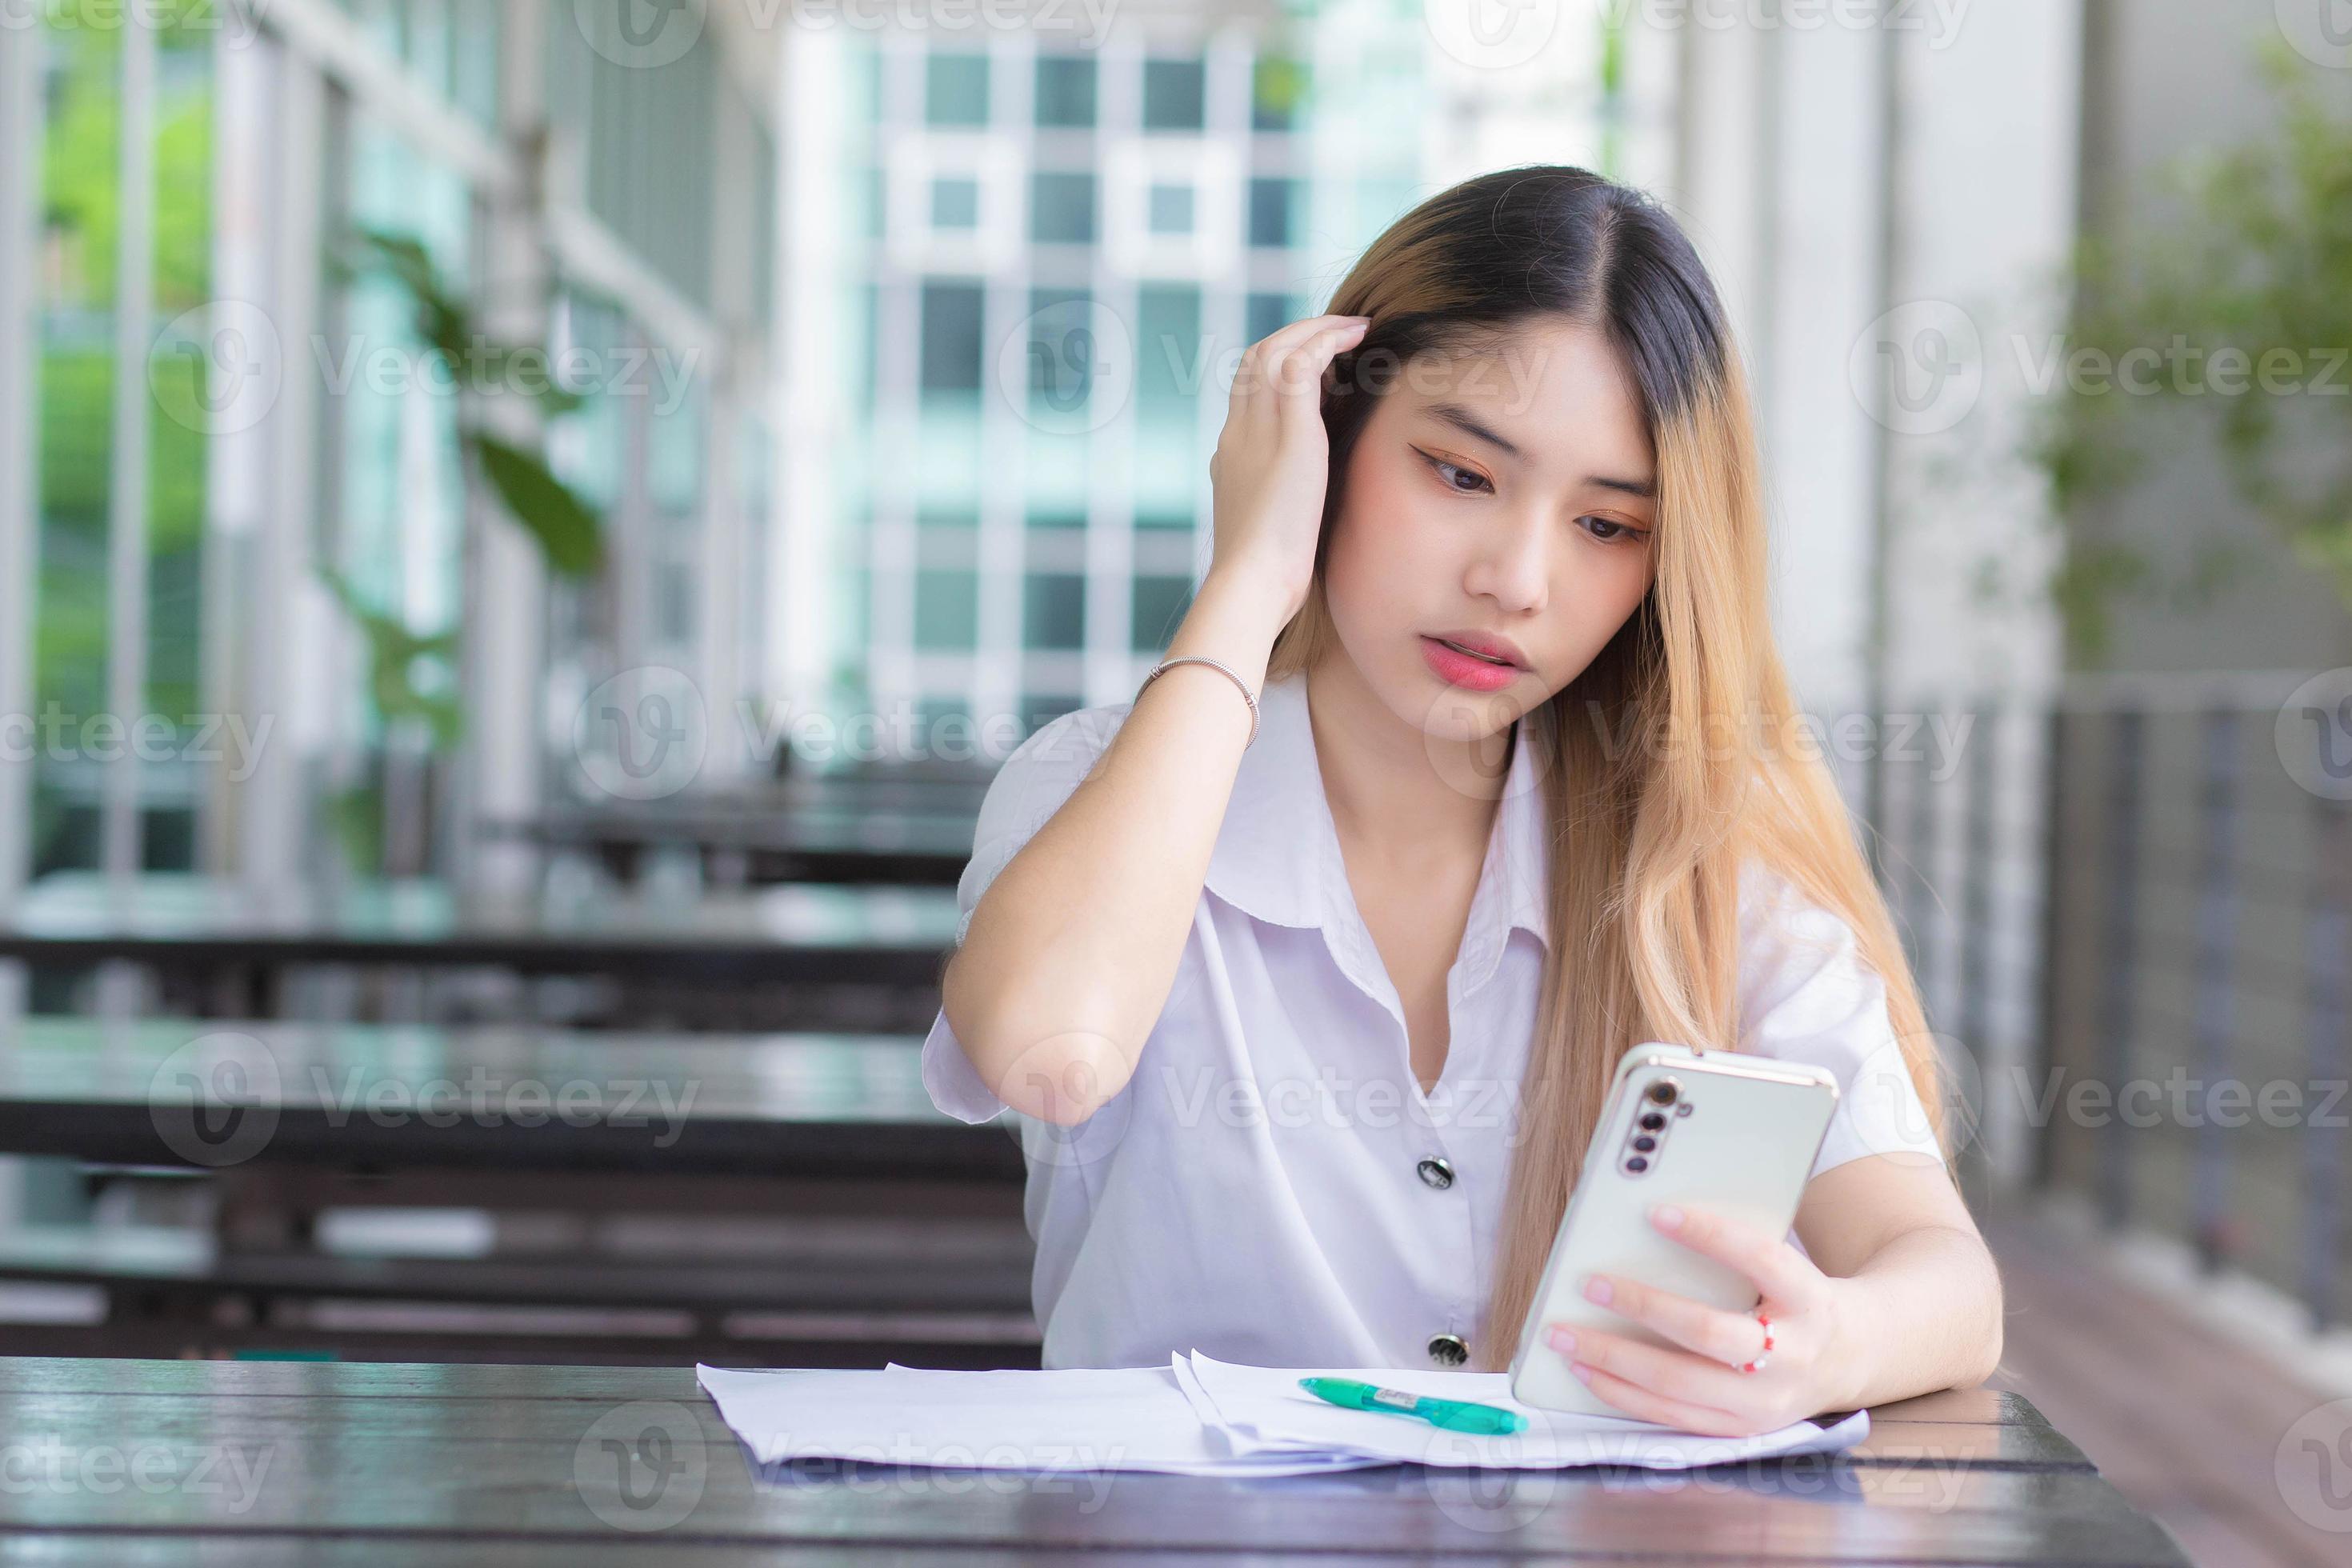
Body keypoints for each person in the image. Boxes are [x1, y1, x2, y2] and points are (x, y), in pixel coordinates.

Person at [922, 166, 2003, 1437]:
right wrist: (1248, 580)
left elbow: (1950, 1288)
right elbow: (1051, 1057)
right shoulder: (1093, 787)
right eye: (1461, 474)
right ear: (1328, 440)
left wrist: (1826, 1348)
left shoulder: (1697, 861)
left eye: (1607, 528)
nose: (1518, 581)